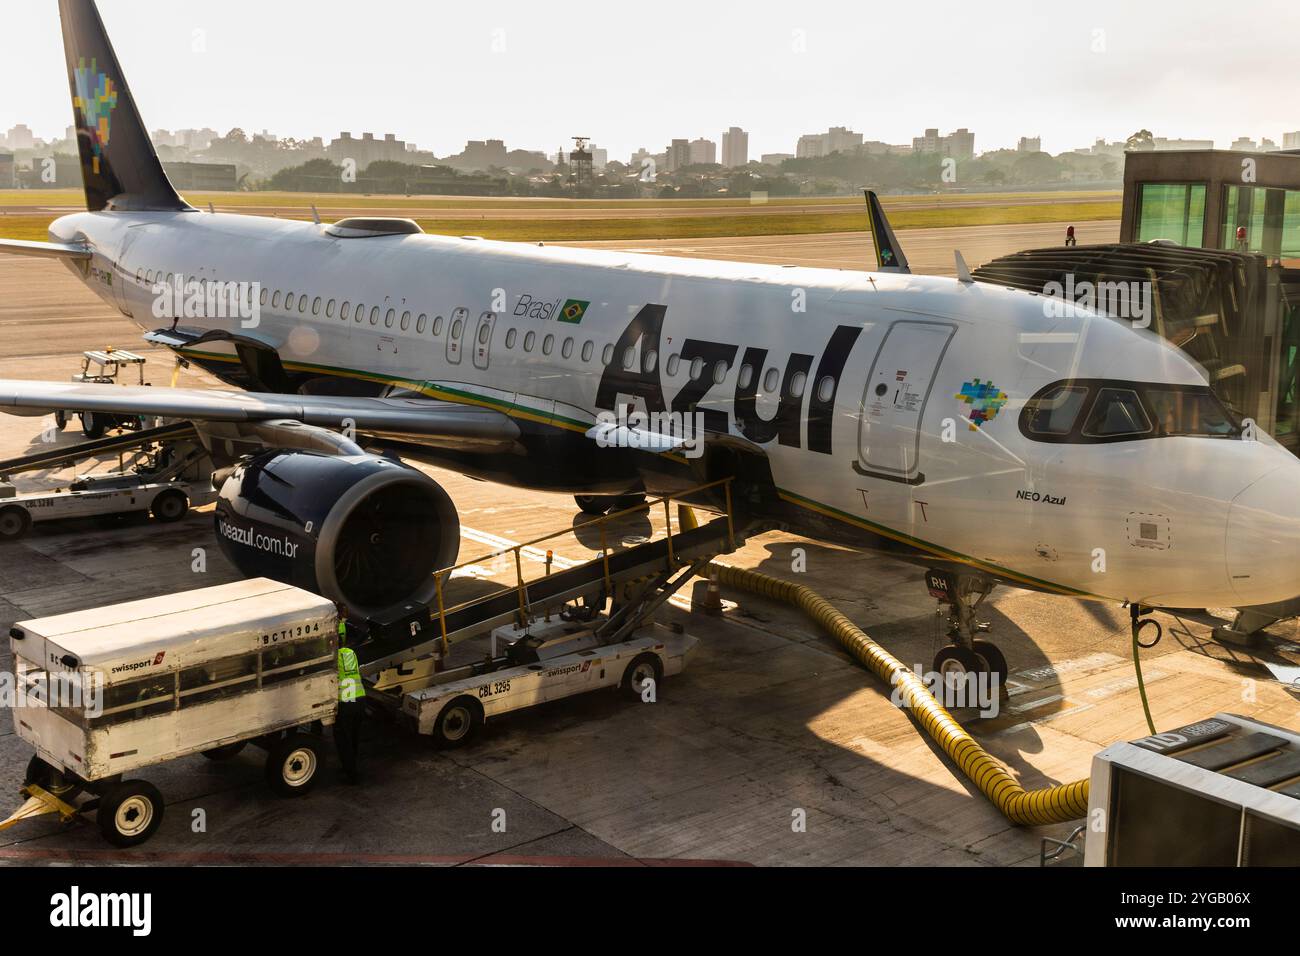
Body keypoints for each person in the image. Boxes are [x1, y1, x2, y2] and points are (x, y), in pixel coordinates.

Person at [334, 607, 365, 785]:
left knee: (342, 739)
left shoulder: (332, 659)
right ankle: (352, 765)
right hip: (359, 700)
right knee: (353, 737)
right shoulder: (350, 653)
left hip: (345, 703)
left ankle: (350, 772)